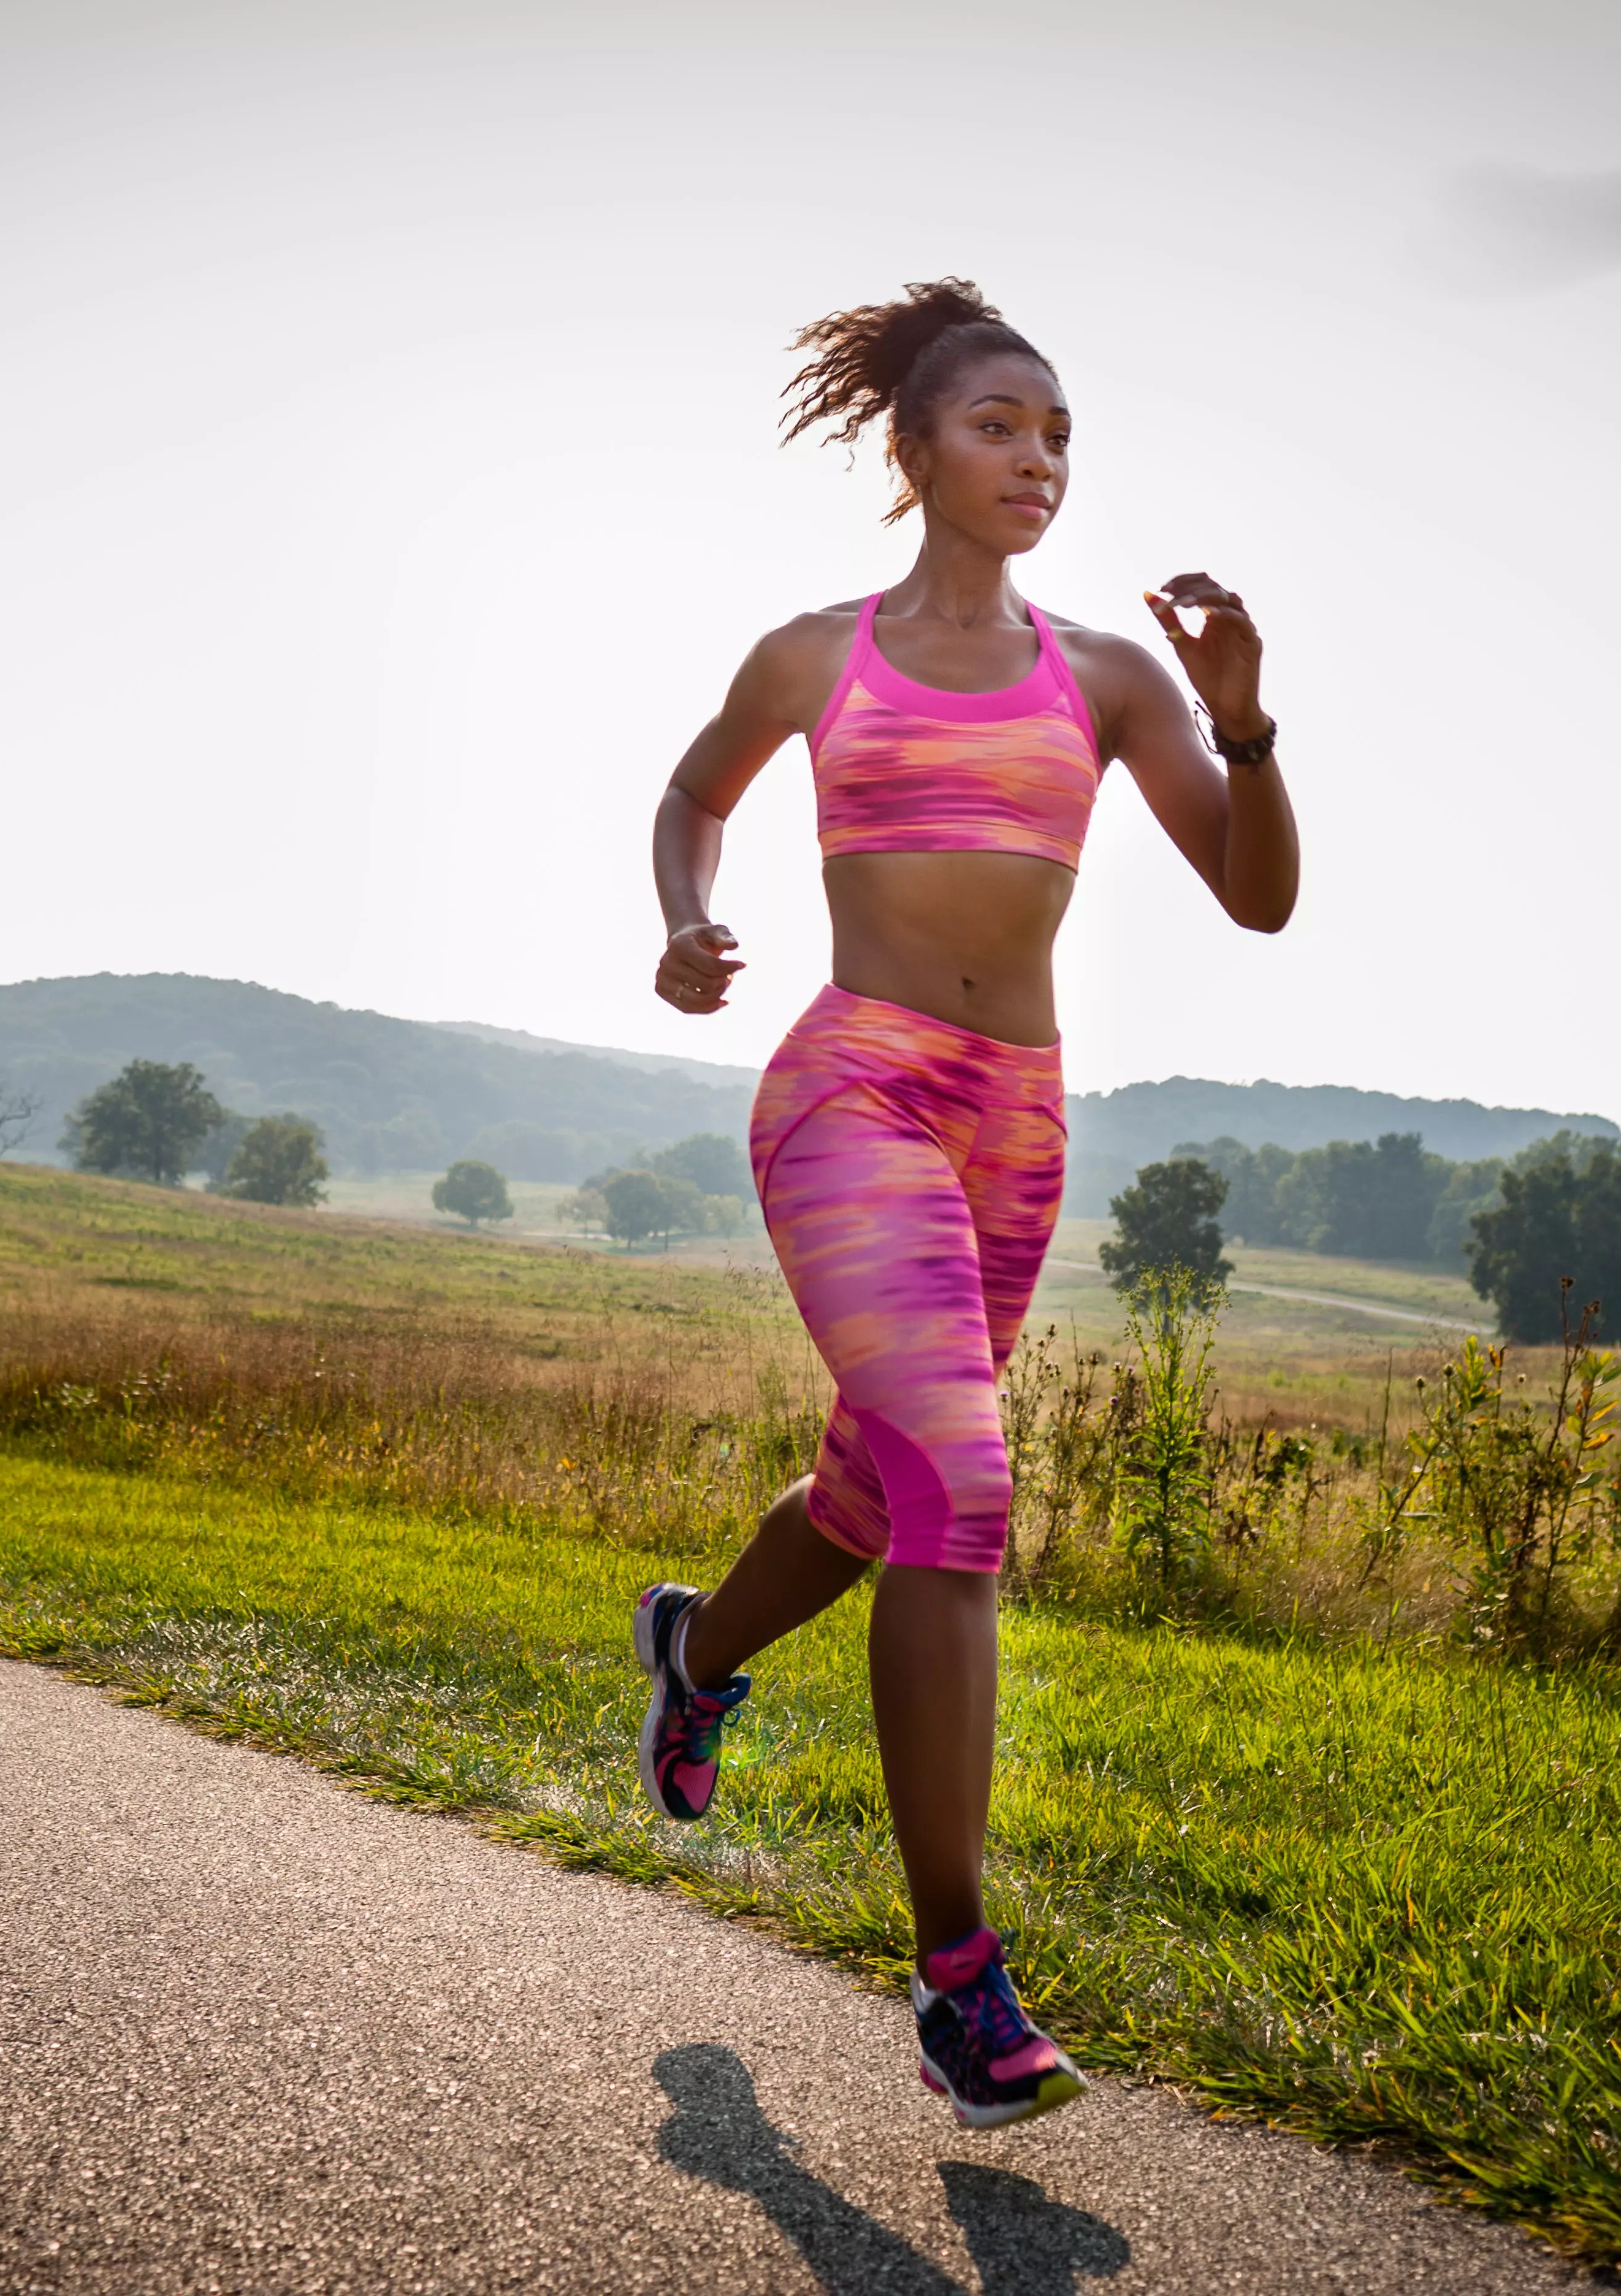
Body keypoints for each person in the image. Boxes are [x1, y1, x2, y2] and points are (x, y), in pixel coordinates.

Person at [631, 278, 1301, 2129]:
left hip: (1014, 1126)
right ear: (915, 451)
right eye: (1002, 426)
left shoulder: (1109, 677)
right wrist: (689, 921)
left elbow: (1258, 899)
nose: (1039, 460)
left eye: (1062, 433)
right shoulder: (811, 655)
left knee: (879, 1486)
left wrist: (1246, 731)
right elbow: (693, 795)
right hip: (851, 1084)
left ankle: (693, 1655)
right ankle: (959, 1981)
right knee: (965, 1485)